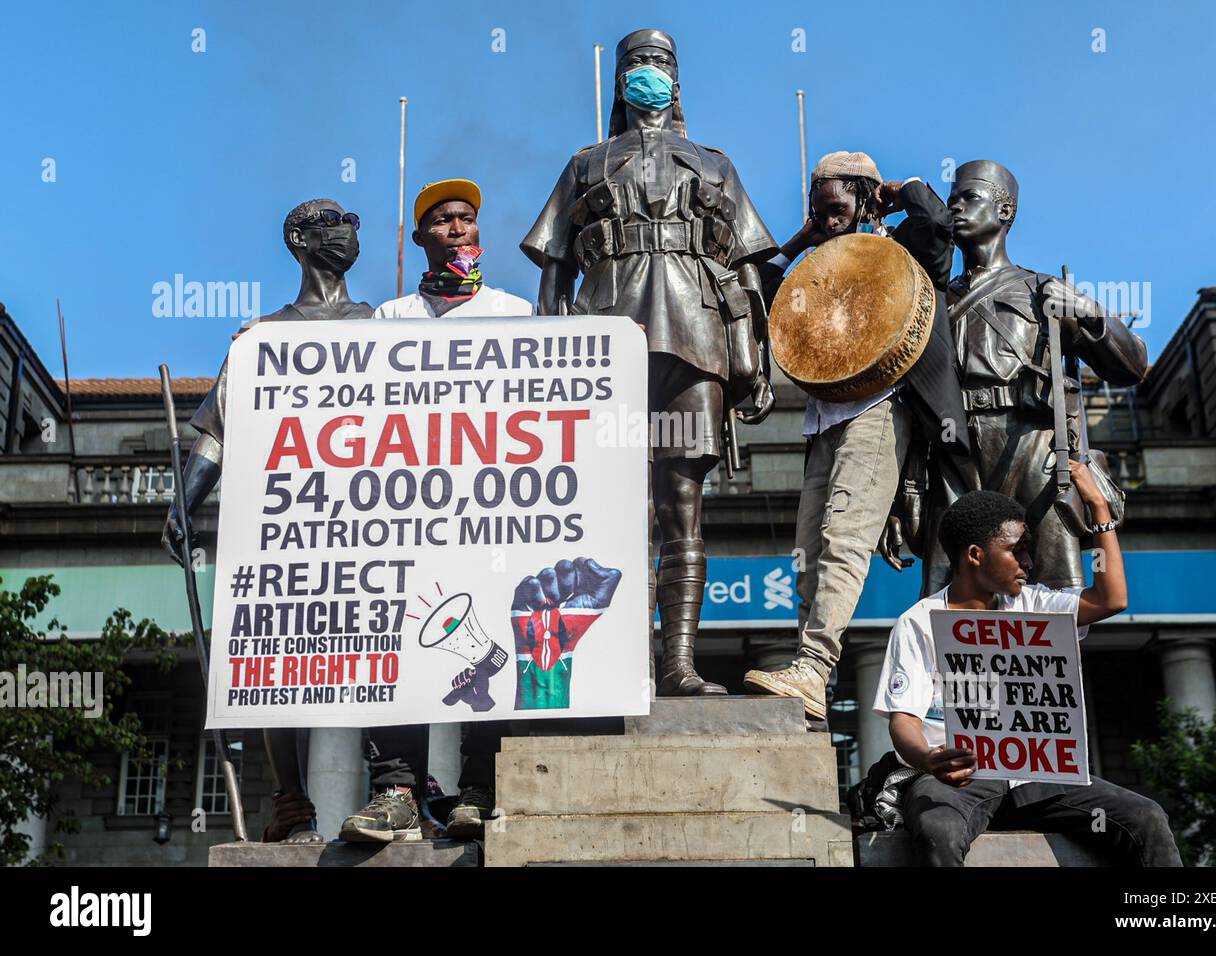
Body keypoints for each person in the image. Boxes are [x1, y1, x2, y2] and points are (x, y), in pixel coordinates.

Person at [521, 28, 778, 697]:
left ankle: (679, 662)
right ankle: (627, 658)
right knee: (618, 505)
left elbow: (749, 271)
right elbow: (553, 274)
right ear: (618, 80)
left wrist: (754, 361)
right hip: (607, 342)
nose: (648, 73)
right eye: (637, 63)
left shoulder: (715, 163)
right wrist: (547, 365)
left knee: (682, 503)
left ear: (677, 77)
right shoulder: (586, 163)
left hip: (697, 335)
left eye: (660, 63)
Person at [162, 198, 372, 845]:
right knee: (275, 654)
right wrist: (183, 501)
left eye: (353, 222)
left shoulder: (382, 326)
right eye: (335, 219)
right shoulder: (263, 340)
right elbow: (220, 433)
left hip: (366, 515)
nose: (349, 231)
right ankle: (290, 800)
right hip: (286, 521)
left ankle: (394, 788)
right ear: (299, 238)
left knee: (380, 649)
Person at [743, 152, 969, 720]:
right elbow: (756, 290)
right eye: (819, 209)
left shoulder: (905, 248)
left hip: (882, 408)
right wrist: (802, 239)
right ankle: (806, 674)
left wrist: (903, 188)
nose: (828, 218)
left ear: (868, 199)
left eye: (838, 206)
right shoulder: (817, 264)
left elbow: (942, 229)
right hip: (825, 420)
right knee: (810, 549)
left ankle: (815, 665)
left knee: (844, 535)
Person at [340, 178, 533, 843]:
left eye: (468, 219)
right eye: (444, 220)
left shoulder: (517, 311)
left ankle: (477, 785)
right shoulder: (390, 320)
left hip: (492, 510)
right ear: (420, 237)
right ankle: (396, 786)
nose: (459, 229)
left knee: (494, 644)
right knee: (396, 643)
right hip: (410, 512)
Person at [873, 473, 1182, 866]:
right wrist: (928, 760)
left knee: (1147, 817)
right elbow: (903, 723)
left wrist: (1101, 513)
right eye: (1016, 552)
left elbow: (1112, 598)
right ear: (975, 555)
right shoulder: (919, 621)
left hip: (1039, 777)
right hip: (960, 779)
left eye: (1028, 551)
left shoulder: (1036, 605)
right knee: (940, 830)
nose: (1028, 563)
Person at [910, 160, 1147, 594]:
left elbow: (1131, 366)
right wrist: (908, 484)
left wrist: (1087, 310)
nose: (956, 208)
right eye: (952, 200)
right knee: (952, 598)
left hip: (1034, 445)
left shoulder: (1041, 290)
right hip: (954, 450)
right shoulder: (931, 301)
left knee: (1053, 592)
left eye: (970, 198)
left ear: (1004, 212)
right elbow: (913, 398)